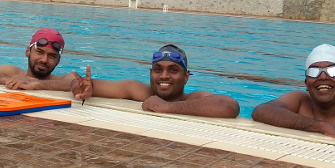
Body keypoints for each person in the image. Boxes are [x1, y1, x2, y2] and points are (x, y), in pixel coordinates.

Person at [71, 44, 240, 118]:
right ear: (151, 73)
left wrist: (167, 107)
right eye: (158, 70)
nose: (164, 76)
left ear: (186, 77)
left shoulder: (193, 99)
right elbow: (88, 85)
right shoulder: (139, 91)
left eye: (173, 70)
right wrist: (81, 88)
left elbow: (229, 106)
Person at [0, 28, 78, 91]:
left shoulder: (64, 79)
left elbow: (82, 84)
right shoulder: (11, 72)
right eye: (40, 52)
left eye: (52, 56)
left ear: (58, 61)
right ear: (28, 52)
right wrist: (9, 80)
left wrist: (38, 84)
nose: (44, 60)